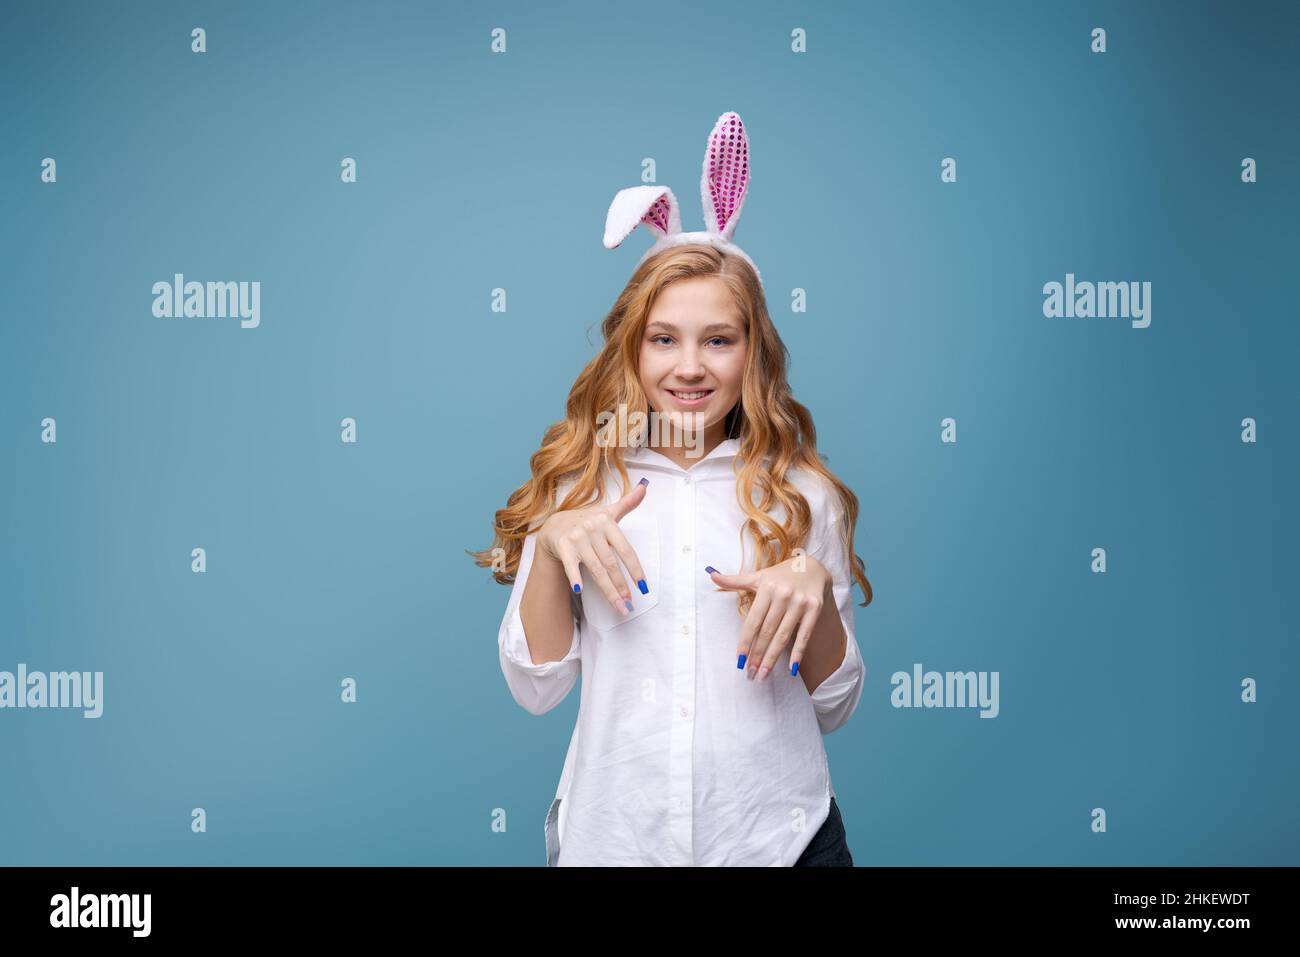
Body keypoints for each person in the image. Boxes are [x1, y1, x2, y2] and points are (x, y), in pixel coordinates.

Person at [470, 112, 872, 866]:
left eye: (718, 339)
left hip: (781, 844)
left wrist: (813, 588)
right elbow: (535, 686)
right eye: (664, 338)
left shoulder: (802, 494)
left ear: (753, 351)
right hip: (615, 844)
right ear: (632, 345)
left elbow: (837, 702)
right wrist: (553, 548)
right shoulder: (581, 481)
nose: (690, 366)